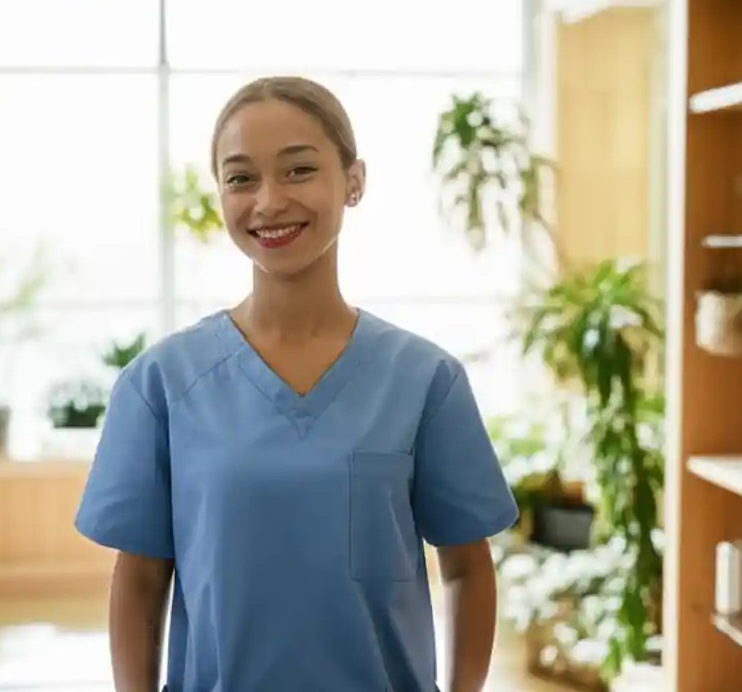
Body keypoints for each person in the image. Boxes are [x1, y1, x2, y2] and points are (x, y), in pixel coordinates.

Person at [74, 75, 519, 692]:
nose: (269, 201)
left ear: (354, 181)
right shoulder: (162, 384)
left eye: (299, 170)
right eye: (240, 178)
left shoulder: (425, 381)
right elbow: (142, 580)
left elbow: (467, 567)